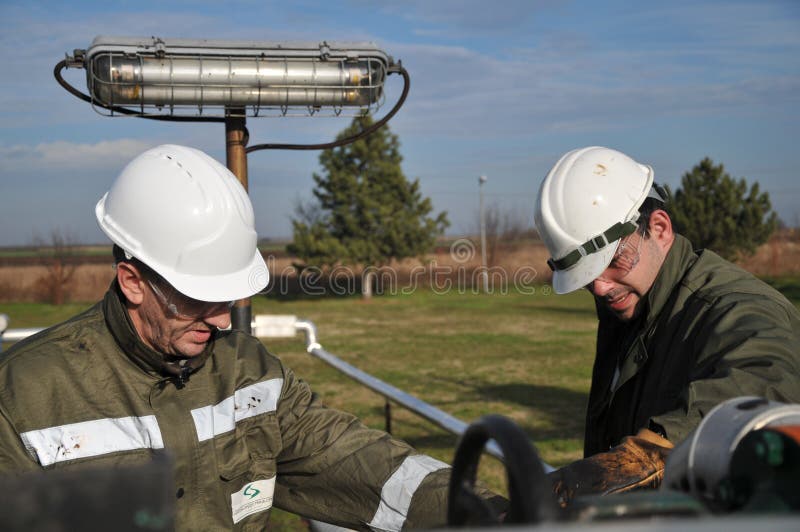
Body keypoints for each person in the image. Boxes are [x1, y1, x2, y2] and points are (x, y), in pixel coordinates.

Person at [0, 145, 504, 530]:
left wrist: (497, 512)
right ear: (133, 281)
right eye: (199, 297)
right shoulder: (26, 397)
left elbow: (360, 463)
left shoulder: (249, 373)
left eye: (229, 297)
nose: (222, 321)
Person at [533, 146, 800, 504]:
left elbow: (766, 379)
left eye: (613, 260)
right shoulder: (629, 305)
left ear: (658, 228)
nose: (599, 286)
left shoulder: (737, 308)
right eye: (587, 275)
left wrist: (650, 451)